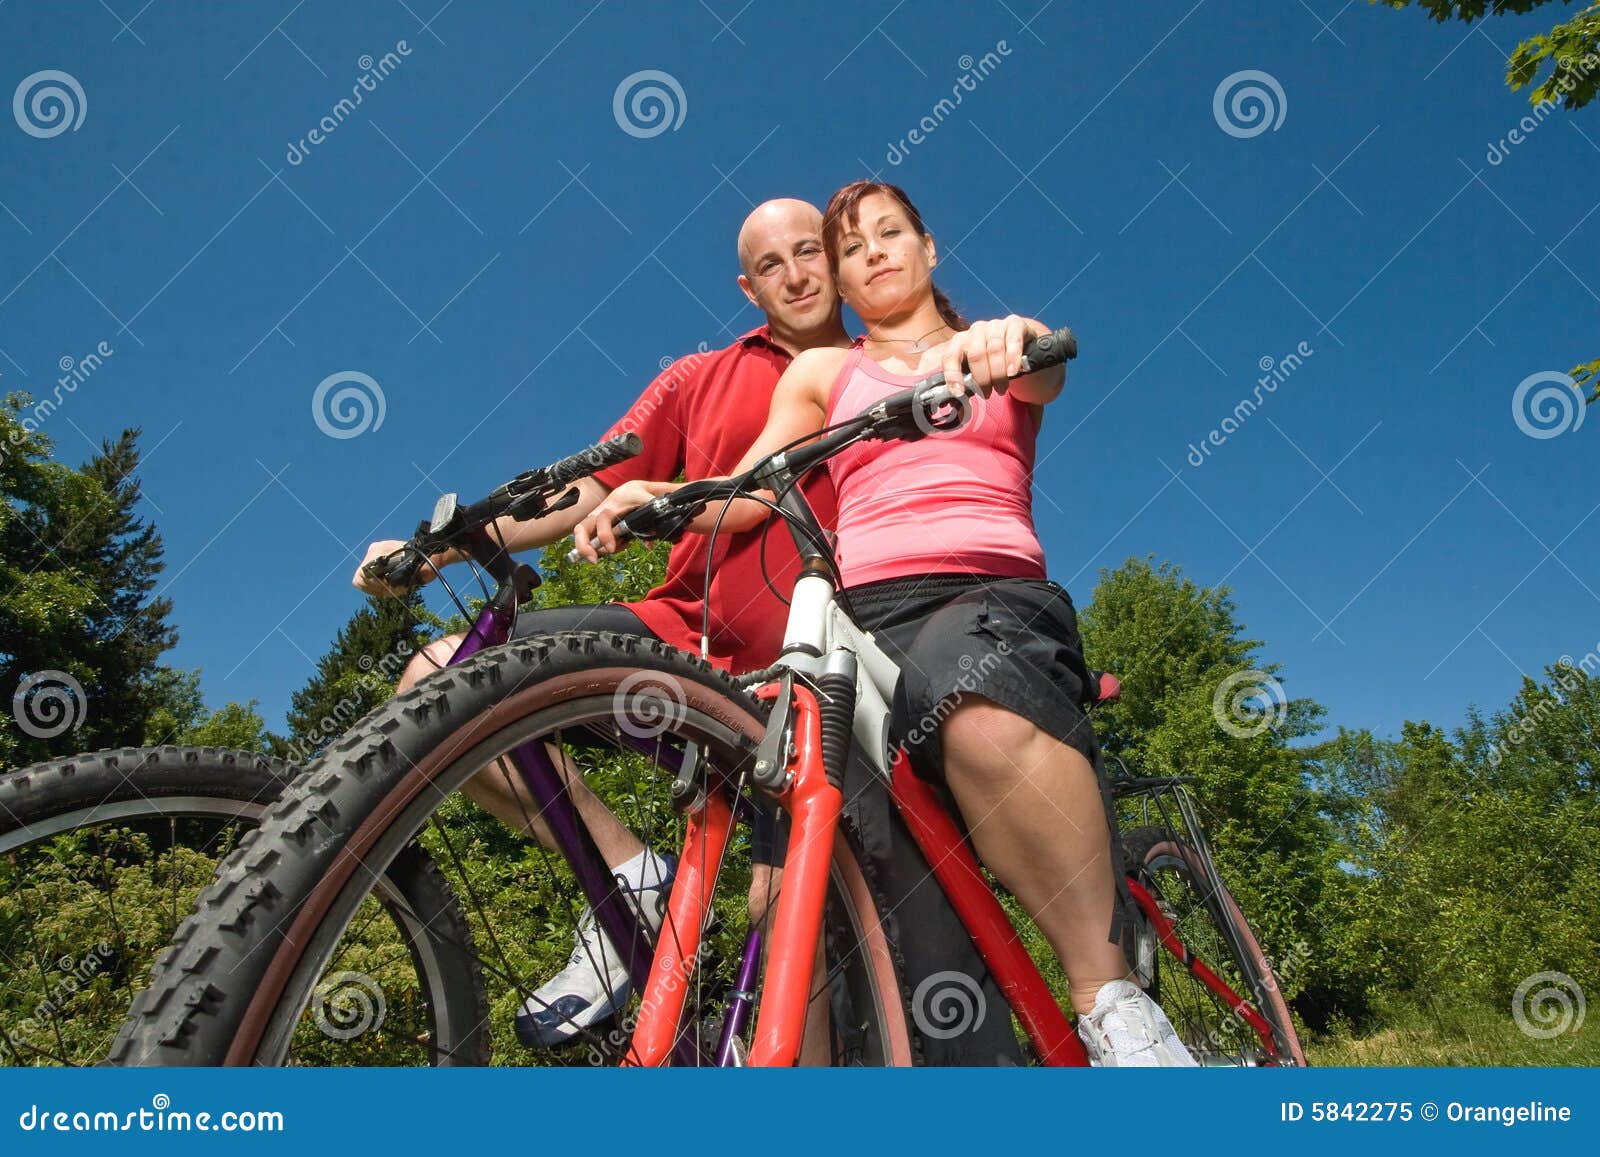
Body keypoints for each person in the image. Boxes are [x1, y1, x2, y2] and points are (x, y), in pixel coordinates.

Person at [575, 180, 1200, 1066]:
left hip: (986, 599)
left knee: (973, 703)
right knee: (843, 857)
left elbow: (1045, 365)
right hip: (864, 627)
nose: (872, 251)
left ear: (928, 246)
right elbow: (750, 492)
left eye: (890, 232)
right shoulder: (823, 373)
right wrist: (658, 497)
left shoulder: (990, 347)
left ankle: (1113, 1003)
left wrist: (1011, 339)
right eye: (851, 246)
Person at [354, 198, 849, 1048]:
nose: (796, 274)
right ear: (748, 285)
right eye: (772, 264)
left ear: (836, 258)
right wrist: (453, 544)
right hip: (683, 638)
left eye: (810, 252)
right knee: (438, 681)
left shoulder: (883, 365)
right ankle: (628, 875)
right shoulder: (699, 377)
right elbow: (590, 479)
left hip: (820, 666)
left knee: (793, 926)